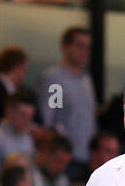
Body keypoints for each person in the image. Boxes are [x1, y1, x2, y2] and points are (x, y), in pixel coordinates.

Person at [37, 26, 96, 164]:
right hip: (66, 158)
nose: (84, 52)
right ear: (65, 47)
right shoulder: (55, 79)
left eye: (87, 48)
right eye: (80, 46)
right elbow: (50, 120)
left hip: (87, 155)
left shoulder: (86, 79)